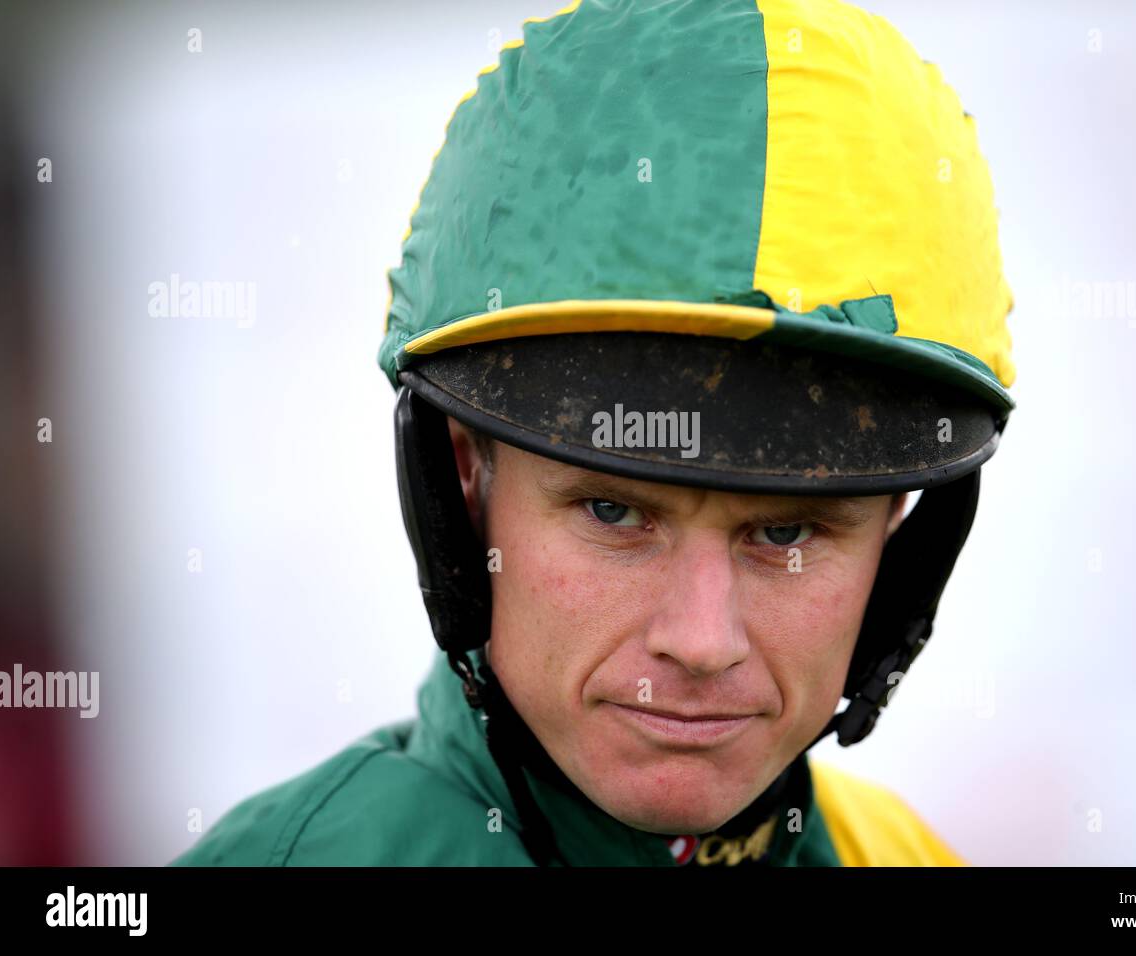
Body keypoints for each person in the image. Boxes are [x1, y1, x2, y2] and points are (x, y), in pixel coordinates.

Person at [173, 0, 1016, 867]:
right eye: (613, 511)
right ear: (464, 486)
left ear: (900, 538)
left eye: (786, 531)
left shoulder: (902, 853)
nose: (699, 641)